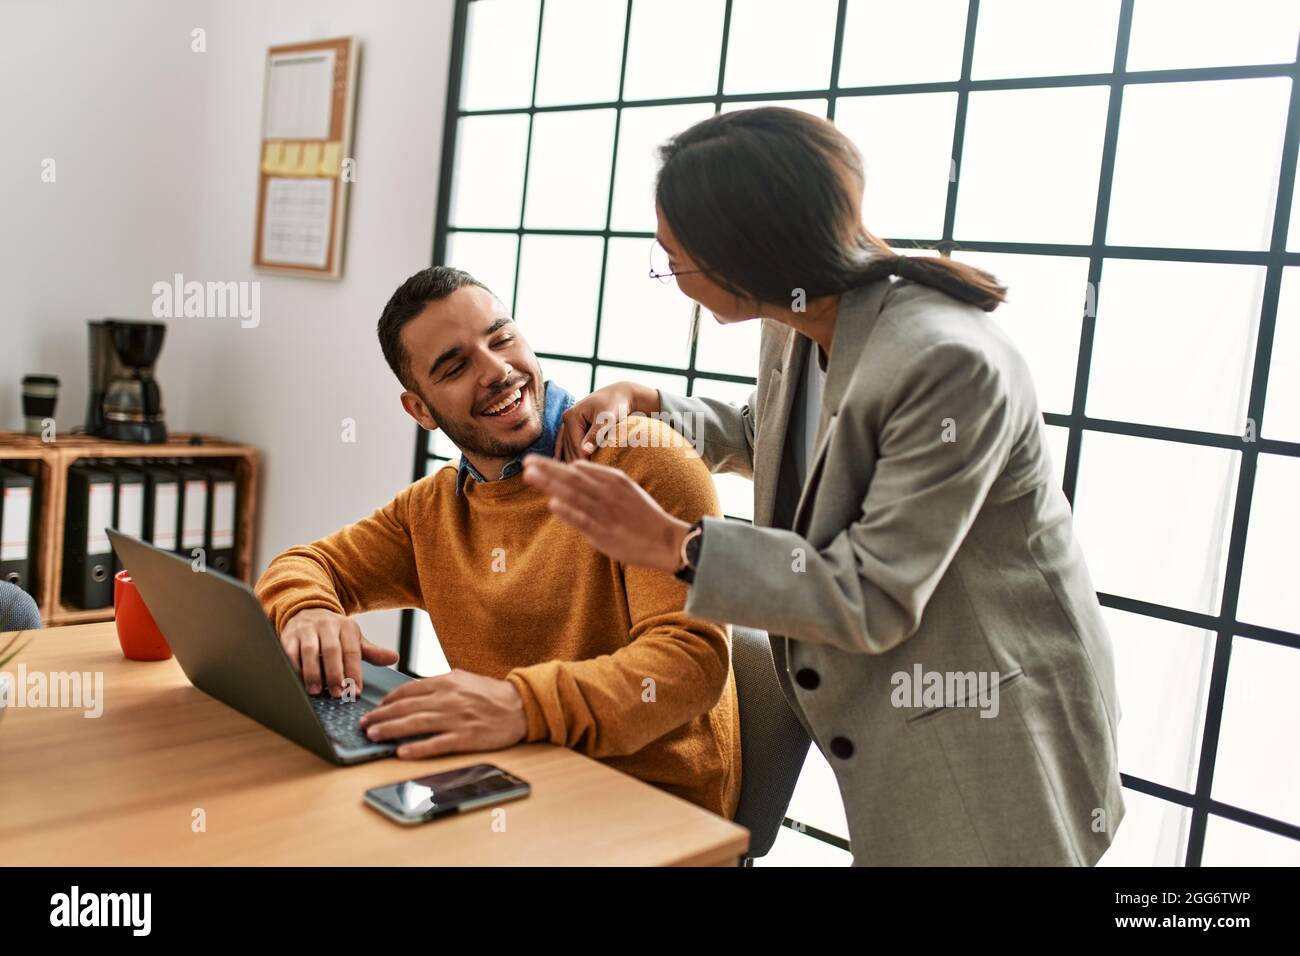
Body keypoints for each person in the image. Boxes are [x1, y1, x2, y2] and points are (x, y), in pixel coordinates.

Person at [523, 107, 1124, 864]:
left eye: (676, 256)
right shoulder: (801, 317)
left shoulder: (945, 364)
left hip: (985, 724)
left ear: (747, 258)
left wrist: (673, 544)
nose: (670, 272)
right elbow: (766, 433)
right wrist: (646, 402)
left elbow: (871, 596)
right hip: (881, 703)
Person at [255, 266, 740, 818]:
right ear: (419, 409)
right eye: (456, 366)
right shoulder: (434, 508)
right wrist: (307, 609)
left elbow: (689, 666)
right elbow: (309, 564)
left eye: (502, 338)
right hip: (508, 784)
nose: (498, 370)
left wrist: (518, 705)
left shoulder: (647, 458)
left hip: (651, 810)